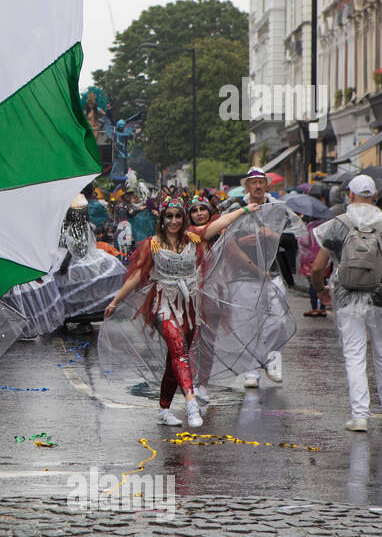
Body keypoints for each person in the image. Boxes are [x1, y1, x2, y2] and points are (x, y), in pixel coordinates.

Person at [102, 197, 254, 427]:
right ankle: (191, 404)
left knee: (174, 359)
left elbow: (222, 221)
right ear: (162, 219)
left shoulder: (194, 237)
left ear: (183, 218)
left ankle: (164, 409)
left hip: (190, 307)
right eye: (169, 216)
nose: (173, 221)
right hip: (164, 304)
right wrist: (114, 303)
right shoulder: (152, 244)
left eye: (177, 216)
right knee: (179, 352)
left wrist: (245, 209)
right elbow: (136, 277)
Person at [309, 175, 382, 431]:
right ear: (375, 195)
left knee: (354, 353)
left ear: (349, 195)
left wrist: (321, 290)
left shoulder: (338, 224)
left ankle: (360, 415)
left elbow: (318, 266)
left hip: (346, 295)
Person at [229, 167, 297, 387]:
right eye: (253, 182)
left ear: (267, 185)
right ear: (246, 186)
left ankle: (270, 359)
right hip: (242, 276)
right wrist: (241, 242)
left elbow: (293, 240)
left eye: (261, 182)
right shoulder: (234, 208)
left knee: (279, 321)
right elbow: (222, 240)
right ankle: (251, 372)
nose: (258, 186)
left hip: (273, 273)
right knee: (245, 324)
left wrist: (272, 235)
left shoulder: (278, 209)